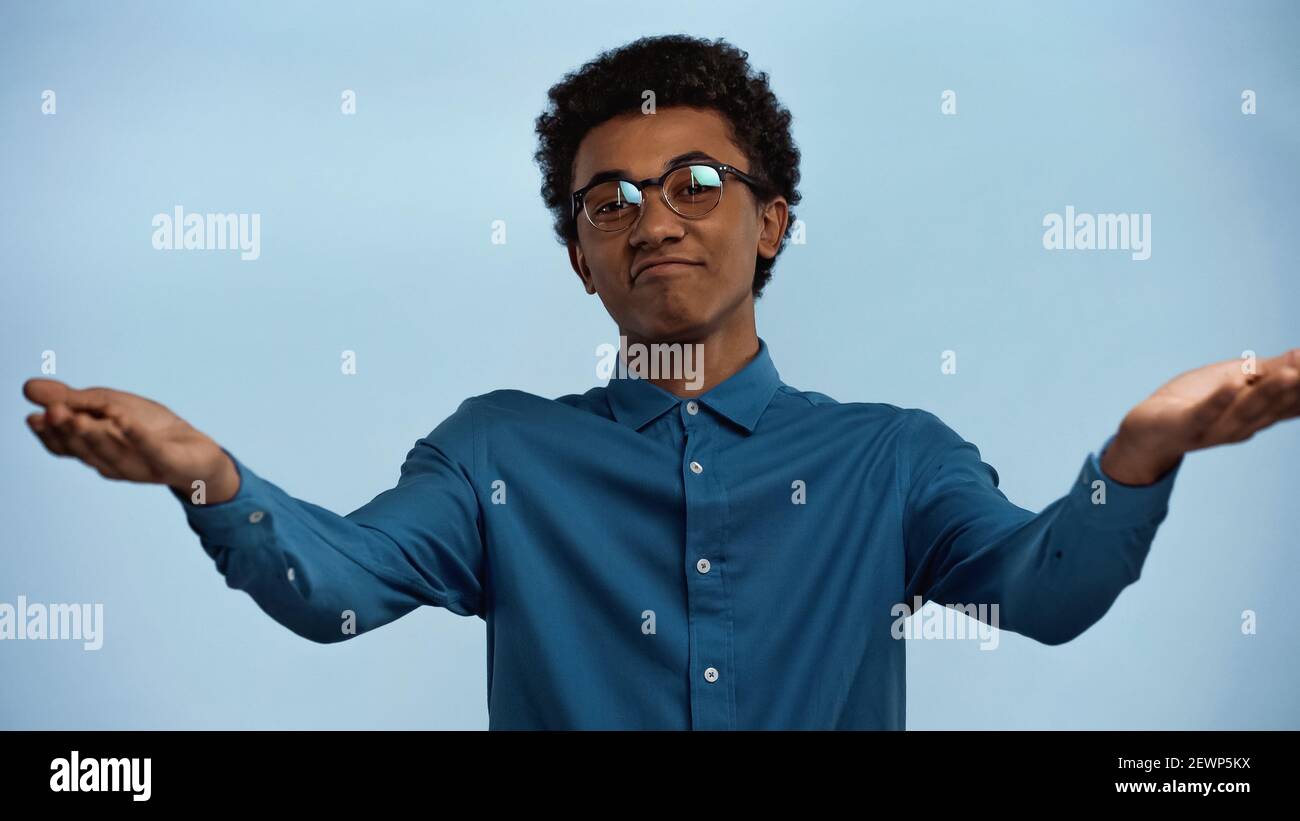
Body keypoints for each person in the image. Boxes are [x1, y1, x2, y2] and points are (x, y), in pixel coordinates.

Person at [21, 35, 1299, 730]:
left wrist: (1138, 453)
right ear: (581, 258)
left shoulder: (893, 456)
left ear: (774, 221)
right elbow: (336, 588)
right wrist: (208, 476)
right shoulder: (494, 453)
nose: (654, 221)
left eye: (696, 183)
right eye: (609, 202)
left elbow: (1041, 593)